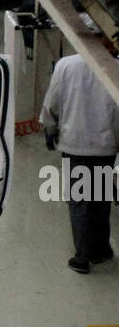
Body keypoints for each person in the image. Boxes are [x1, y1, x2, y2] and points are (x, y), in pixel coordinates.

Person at [40, 50, 119, 274]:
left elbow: (51, 104)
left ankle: (82, 257)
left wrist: (50, 130)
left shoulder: (66, 65)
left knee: (79, 200)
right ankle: (100, 249)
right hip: (106, 145)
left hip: (74, 143)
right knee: (101, 197)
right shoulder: (115, 66)